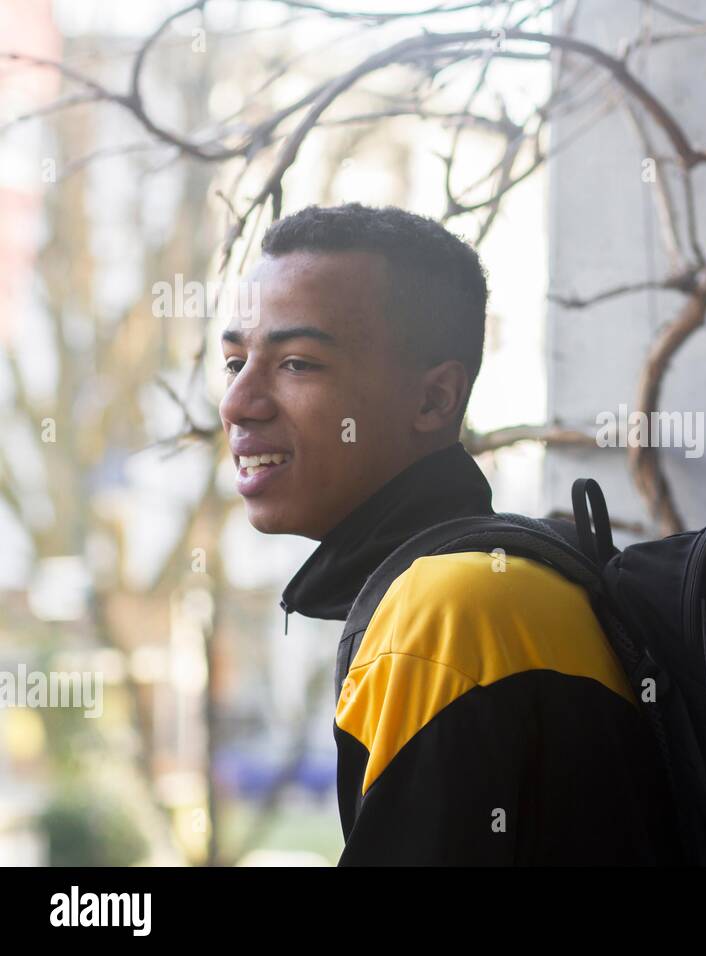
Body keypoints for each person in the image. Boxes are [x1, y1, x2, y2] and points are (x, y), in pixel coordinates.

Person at [218, 203, 677, 865]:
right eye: (235, 363)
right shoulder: (513, 570)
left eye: (297, 364)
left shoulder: (448, 609)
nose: (239, 402)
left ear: (434, 400)